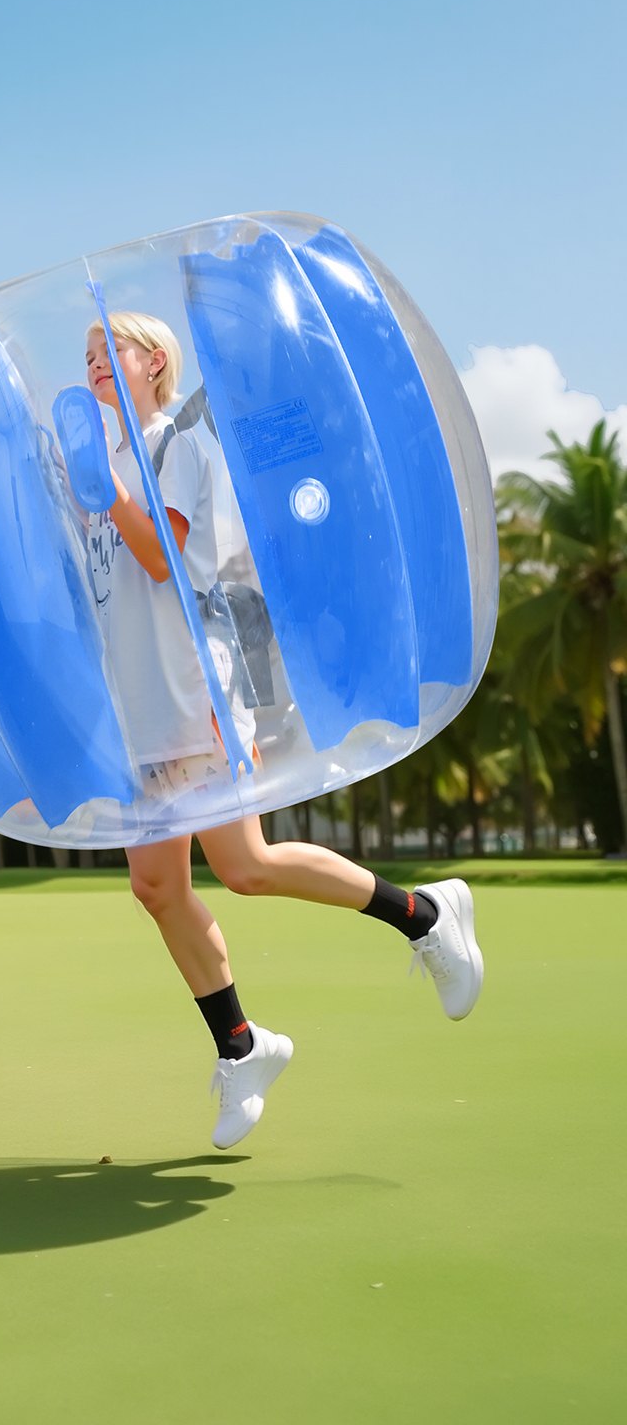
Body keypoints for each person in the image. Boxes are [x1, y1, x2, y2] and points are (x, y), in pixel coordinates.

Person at [81, 310, 483, 1148]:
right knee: (158, 889)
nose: (90, 363)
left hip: (198, 697)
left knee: (248, 867)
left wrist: (106, 491)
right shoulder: (103, 465)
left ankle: (426, 914)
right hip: (140, 710)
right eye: (83, 353)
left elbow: (162, 557)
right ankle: (243, 1049)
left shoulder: (173, 448)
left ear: (154, 361)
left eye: (106, 348)